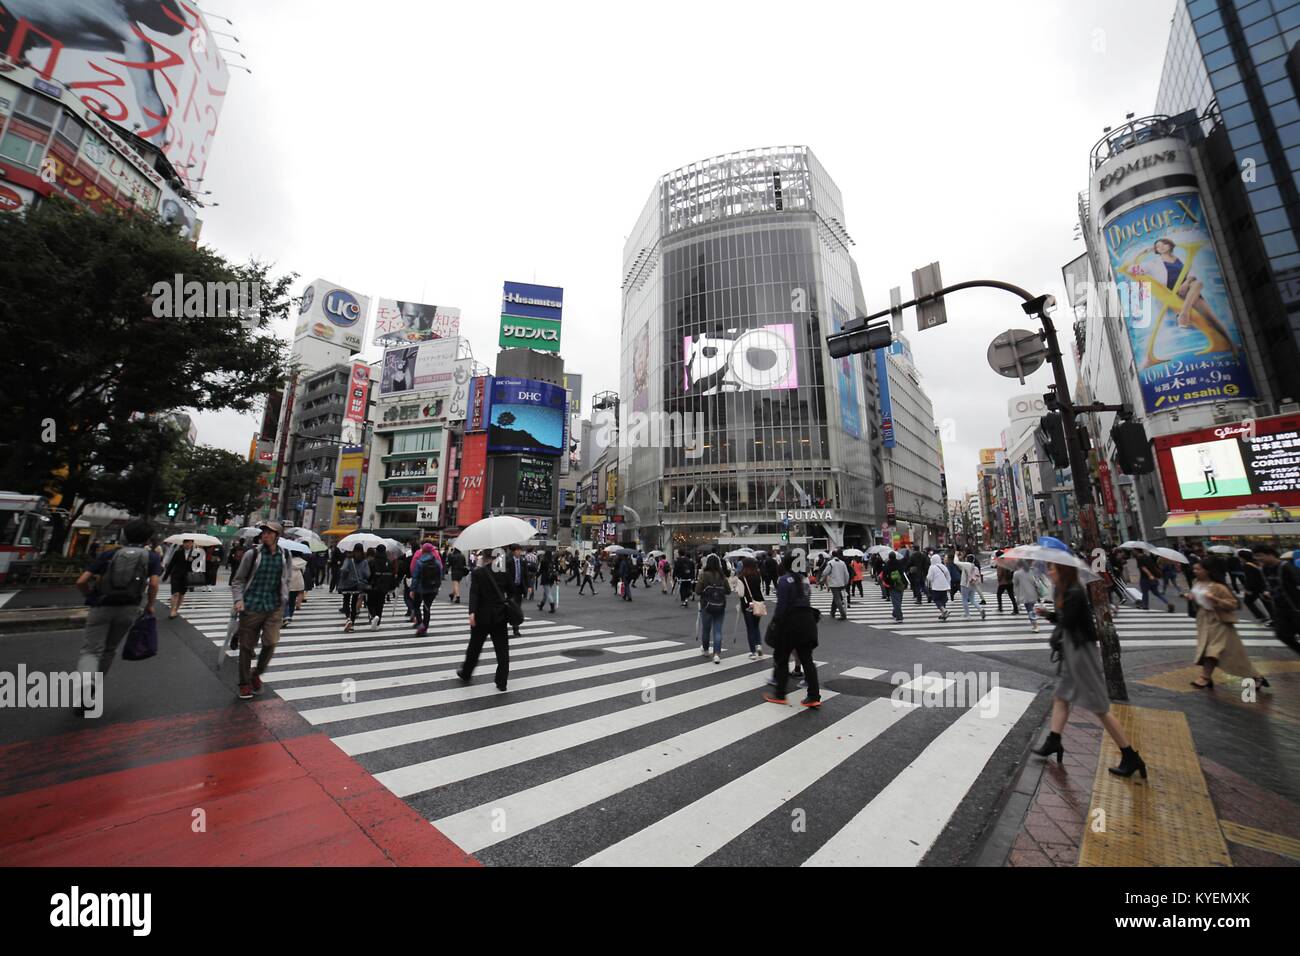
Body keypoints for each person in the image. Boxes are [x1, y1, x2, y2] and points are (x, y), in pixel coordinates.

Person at [1031, 561, 1148, 779]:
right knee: (1060, 697)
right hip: (1071, 651)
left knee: (1100, 707)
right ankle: (1053, 741)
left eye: (1052, 568)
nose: (1049, 572)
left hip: (1081, 653)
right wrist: (1049, 612)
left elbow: (1067, 621)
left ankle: (1130, 755)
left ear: (1063, 570)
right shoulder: (1066, 590)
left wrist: (1049, 613)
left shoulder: (1074, 592)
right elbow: (1064, 619)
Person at [74, 518, 161, 712]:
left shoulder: (108, 554)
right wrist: (150, 605)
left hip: (101, 605)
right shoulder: (151, 557)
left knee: (91, 650)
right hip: (129, 608)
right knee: (109, 650)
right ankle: (92, 691)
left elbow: (81, 581)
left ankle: (83, 691)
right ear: (148, 538)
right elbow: (154, 584)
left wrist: (90, 596)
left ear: (124, 535)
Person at [230, 521, 294, 700]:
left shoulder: (285, 555)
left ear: (277, 535)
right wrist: (239, 600)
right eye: (263, 532)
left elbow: (286, 579)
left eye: (269, 532)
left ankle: (256, 672)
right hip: (251, 606)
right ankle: (244, 683)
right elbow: (238, 580)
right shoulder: (253, 554)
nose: (264, 535)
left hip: (274, 606)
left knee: (271, 643)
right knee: (246, 647)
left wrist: (285, 598)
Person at [1184, 557, 1270, 690]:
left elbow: (1233, 604)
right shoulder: (1197, 582)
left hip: (1219, 620)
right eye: (1194, 568)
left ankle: (1205, 678)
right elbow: (1199, 600)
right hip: (1204, 619)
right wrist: (1191, 598)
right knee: (1221, 652)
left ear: (1208, 571)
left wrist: (1215, 598)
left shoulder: (1218, 587)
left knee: (1213, 650)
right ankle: (1255, 676)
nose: (1195, 571)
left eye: (1198, 569)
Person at [763, 552, 821, 707]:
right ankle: (814, 696)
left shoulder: (784, 580)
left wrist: (776, 623)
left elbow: (782, 606)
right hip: (807, 620)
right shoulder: (804, 580)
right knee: (807, 659)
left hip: (789, 623)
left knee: (782, 658)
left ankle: (780, 694)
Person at [459, 550, 511, 691]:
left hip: (481, 616)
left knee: (474, 647)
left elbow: (474, 593)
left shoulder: (478, 573)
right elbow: (512, 592)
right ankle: (502, 681)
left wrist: (472, 612)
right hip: (500, 616)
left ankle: (466, 673)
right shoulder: (503, 573)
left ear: (485, 558)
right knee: (502, 649)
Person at [1251, 545, 1300, 653]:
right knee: (1282, 635)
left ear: (1270, 554)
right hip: (1280, 608)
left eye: (1260, 556)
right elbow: (1269, 585)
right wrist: (1267, 592)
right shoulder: (1265, 569)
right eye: (1256, 557)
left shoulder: (1286, 567)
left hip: (1296, 607)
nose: (1258, 559)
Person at [695, 554, 729, 663]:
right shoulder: (722, 575)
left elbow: (697, 590)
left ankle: (706, 649)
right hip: (720, 605)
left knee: (706, 629)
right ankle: (717, 654)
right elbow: (728, 591)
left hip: (706, 605)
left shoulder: (704, 575)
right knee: (718, 630)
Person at [337, 543, 370, 633]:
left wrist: (343, 579)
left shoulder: (349, 559)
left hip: (347, 584)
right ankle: (352, 623)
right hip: (358, 586)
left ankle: (348, 619)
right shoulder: (364, 561)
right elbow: (367, 574)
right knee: (354, 604)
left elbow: (343, 570)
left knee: (346, 602)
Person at [411, 542, 443, 635]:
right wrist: (437, 587)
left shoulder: (420, 562)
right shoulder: (437, 563)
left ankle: (420, 623)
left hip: (420, 589)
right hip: (432, 589)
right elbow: (440, 576)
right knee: (427, 608)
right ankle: (425, 627)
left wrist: (413, 589)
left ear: (423, 550)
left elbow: (415, 577)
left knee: (416, 606)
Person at [738, 558, 766, 660]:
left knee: (750, 629)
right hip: (758, 602)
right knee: (756, 626)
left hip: (747, 605)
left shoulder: (742, 577)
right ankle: (759, 646)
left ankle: (753, 652)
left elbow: (740, 593)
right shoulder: (757, 576)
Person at [364, 544, 396, 631]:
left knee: (370, 603)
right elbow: (392, 575)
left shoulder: (372, 562)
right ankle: (378, 622)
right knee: (380, 605)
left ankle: (374, 616)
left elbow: (368, 575)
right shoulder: (389, 562)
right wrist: (391, 586)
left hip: (373, 586)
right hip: (384, 587)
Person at [165, 537, 197, 619]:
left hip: (187, 577)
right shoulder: (178, 552)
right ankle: (172, 611)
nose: (188, 544)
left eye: (190, 543)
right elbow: (171, 564)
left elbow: (199, 566)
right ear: (183, 543)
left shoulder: (195, 554)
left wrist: (192, 561)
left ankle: (176, 609)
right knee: (175, 593)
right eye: (186, 543)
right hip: (176, 575)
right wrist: (166, 575)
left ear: (192, 544)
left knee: (181, 594)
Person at [1238, 550, 1272, 625]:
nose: (1239, 559)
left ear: (1243, 558)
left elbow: (1250, 579)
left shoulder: (1247, 565)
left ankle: (1262, 617)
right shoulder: (1255, 563)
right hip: (1262, 587)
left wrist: (1248, 589)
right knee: (1266, 602)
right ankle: (1271, 618)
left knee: (1248, 601)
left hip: (1254, 588)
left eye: (1240, 557)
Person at [1013, 561, 1041, 633]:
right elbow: (1036, 583)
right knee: (1031, 609)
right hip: (1033, 594)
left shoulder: (1016, 573)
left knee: (1030, 610)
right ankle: (1035, 624)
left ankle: (1035, 625)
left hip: (1025, 595)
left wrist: (1017, 598)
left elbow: (1015, 586)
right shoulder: (1031, 572)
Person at [824, 551, 850, 621]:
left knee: (837, 599)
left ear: (832, 555)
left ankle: (843, 614)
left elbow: (825, 572)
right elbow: (846, 574)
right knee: (835, 598)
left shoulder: (830, 563)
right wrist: (846, 582)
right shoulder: (842, 563)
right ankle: (832, 612)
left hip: (833, 584)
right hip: (841, 583)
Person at [882, 551, 907, 623]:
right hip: (900, 584)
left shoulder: (887, 565)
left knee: (896, 601)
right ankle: (895, 613)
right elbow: (903, 573)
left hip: (892, 585)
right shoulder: (899, 563)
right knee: (899, 600)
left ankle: (899, 617)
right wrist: (905, 583)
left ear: (889, 557)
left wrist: (887, 583)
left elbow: (884, 576)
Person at [283, 553, 307, 626]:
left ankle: (286, 616)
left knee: (286, 600)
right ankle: (290, 616)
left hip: (289, 581)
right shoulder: (302, 562)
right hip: (298, 582)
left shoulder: (286, 560)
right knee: (292, 601)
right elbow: (304, 571)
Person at [926, 554, 952, 621]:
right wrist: (948, 585)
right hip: (944, 586)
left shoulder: (932, 567)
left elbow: (930, 578)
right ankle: (943, 614)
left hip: (936, 587)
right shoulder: (943, 566)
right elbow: (948, 577)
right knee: (943, 600)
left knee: (936, 599)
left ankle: (944, 610)